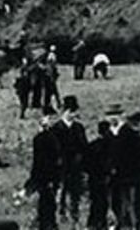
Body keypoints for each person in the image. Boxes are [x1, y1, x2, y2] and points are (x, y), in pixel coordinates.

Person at [110, 110, 140, 230]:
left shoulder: (128, 134)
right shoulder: (126, 135)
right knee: (128, 203)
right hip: (125, 176)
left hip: (129, 175)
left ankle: (130, 224)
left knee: (131, 203)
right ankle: (129, 224)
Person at [24, 105, 61, 230]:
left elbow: (39, 160)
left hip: (45, 175)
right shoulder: (51, 137)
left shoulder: (42, 138)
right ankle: (48, 223)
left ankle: (44, 223)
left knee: (46, 202)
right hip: (48, 175)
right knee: (48, 202)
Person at [53, 96, 87, 225]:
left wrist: (82, 158)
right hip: (61, 166)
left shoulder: (79, 127)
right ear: (63, 111)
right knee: (61, 190)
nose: (72, 114)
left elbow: (84, 145)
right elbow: (53, 148)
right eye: (69, 111)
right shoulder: (56, 128)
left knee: (75, 191)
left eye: (74, 112)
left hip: (76, 165)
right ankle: (61, 212)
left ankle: (75, 213)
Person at [85, 120, 113, 230]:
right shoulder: (110, 146)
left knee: (95, 203)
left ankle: (92, 224)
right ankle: (103, 224)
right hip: (105, 178)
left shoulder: (92, 145)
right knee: (105, 203)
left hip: (93, 179)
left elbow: (85, 163)